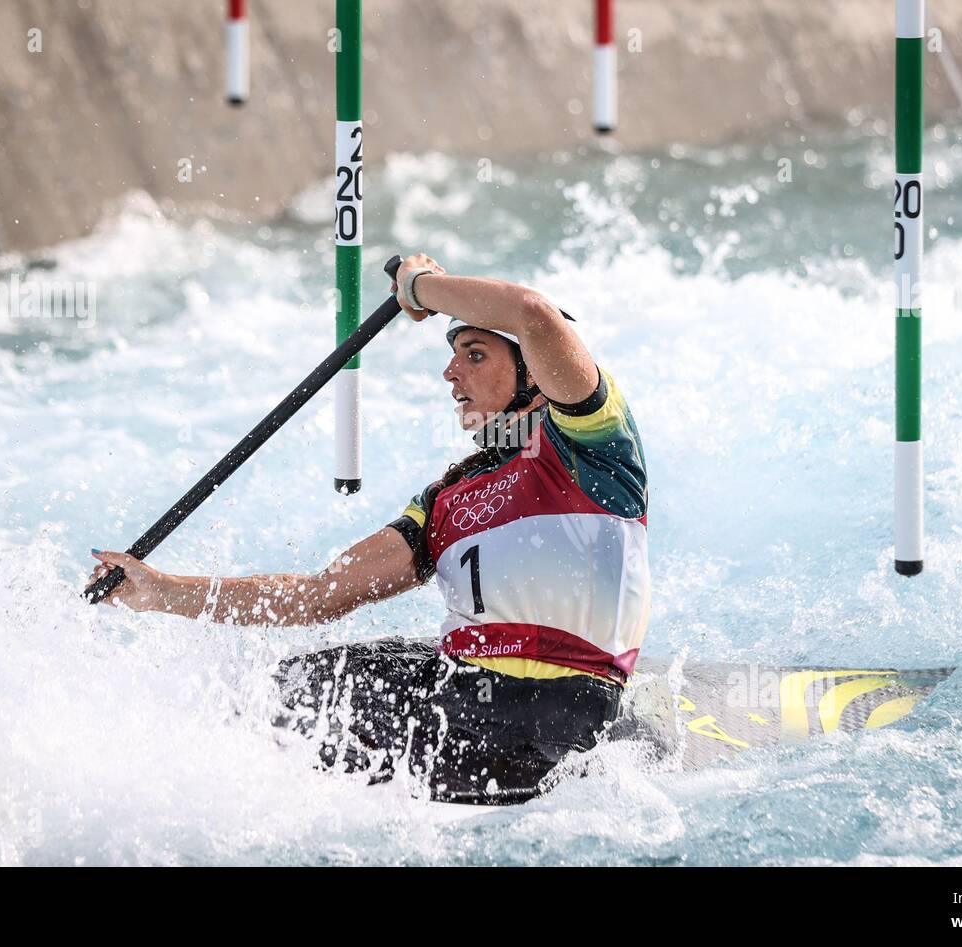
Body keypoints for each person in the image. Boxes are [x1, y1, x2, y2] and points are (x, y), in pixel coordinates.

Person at [86, 253, 650, 804]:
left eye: (475, 354)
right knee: (290, 687)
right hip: (468, 705)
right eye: (454, 357)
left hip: (546, 718)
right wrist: (159, 591)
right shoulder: (444, 502)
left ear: (534, 368)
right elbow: (317, 595)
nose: (451, 372)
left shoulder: (592, 446)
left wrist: (422, 287)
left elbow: (531, 312)